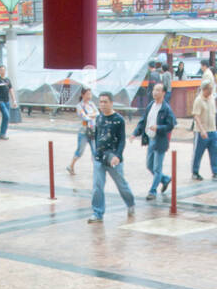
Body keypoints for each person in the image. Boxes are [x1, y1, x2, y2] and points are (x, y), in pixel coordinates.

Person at [88, 92, 135, 224]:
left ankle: (130, 203)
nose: (102, 104)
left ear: (111, 103)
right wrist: (95, 153)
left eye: (105, 102)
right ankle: (97, 212)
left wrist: (118, 156)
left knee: (121, 184)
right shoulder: (99, 118)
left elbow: (121, 141)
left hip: (114, 158)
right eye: (101, 102)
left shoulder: (119, 120)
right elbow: (97, 136)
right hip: (99, 157)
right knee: (97, 185)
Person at [133, 82, 175, 201]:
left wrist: (159, 128)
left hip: (160, 140)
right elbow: (143, 120)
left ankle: (152, 191)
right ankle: (165, 179)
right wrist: (136, 132)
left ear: (163, 93)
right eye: (154, 90)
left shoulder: (166, 109)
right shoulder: (151, 105)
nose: (155, 92)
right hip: (151, 139)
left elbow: (171, 124)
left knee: (157, 168)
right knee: (149, 165)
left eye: (158, 90)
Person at [191, 81, 217, 181]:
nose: (211, 91)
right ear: (204, 89)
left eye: (212, 89)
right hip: (201, 132)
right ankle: (195, 172)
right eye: (209, 89)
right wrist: (202, 130)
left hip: (212, 130)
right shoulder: (198, 100)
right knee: (198, 153)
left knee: (215, 151)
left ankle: (216, 171)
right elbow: (196, 116)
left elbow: (214, 114)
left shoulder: (211, 99)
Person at [67, 87, 97, 175]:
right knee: (80, 151)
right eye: (87, 94)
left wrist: (89, 115)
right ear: (83, 95)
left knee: (95, 151)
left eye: (90, 94)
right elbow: (84, 117)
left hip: (93, 130)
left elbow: (98, 113)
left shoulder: (91, 104)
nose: (89, 96)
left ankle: (96, 170)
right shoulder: (79, 106)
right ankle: (71, 166)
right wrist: (91, 115)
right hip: (84, 132)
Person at [0, 65, 15, 140]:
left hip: (7, 101)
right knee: (6, 116)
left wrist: (14, 100)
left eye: (4, 70)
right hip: (1, 101)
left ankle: (3, 134)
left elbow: (11, 90)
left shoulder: (8, 80)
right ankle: (2, 133)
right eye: (1, 70)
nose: (3, 71)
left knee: (6, 118)